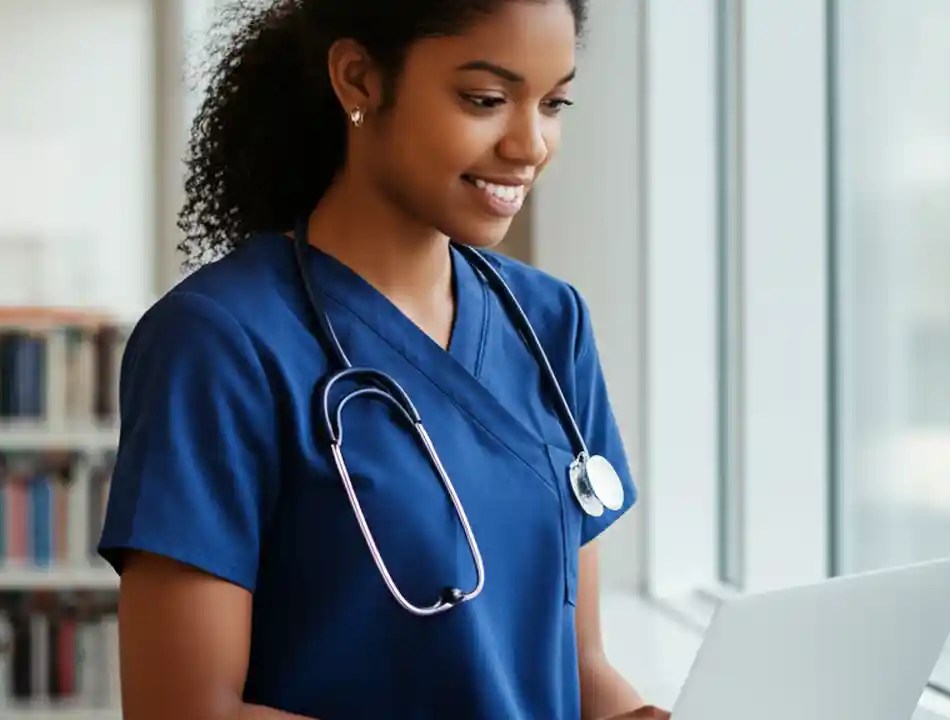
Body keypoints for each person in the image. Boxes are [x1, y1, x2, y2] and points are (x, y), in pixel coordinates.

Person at [97, 1, 667, 718]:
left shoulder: (551, 325)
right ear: (359, 79)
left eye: (553, 102)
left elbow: (579, 671)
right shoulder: (217, 343)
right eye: (485, 100)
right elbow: (183, 711)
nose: (531, 144)